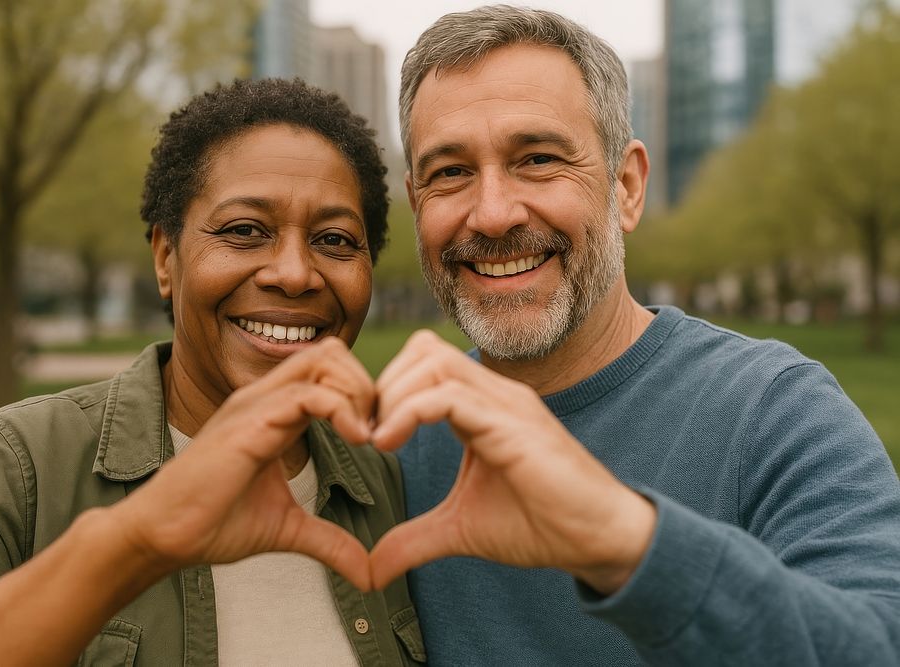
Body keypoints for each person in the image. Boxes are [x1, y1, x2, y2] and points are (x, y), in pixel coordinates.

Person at [365, 6, 900, 665]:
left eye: (537, 158)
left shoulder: (776, 411)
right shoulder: (389, 449)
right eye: (450, 171)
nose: (494, 212)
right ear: (416, 205)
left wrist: (622, 539)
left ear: (626, 186)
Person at [0, 78, 424, 666]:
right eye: (244, 230)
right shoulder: (12, 471)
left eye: (334, 239)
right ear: (165, 258)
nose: (295, 274)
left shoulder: (394, 486)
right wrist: (135, 541)